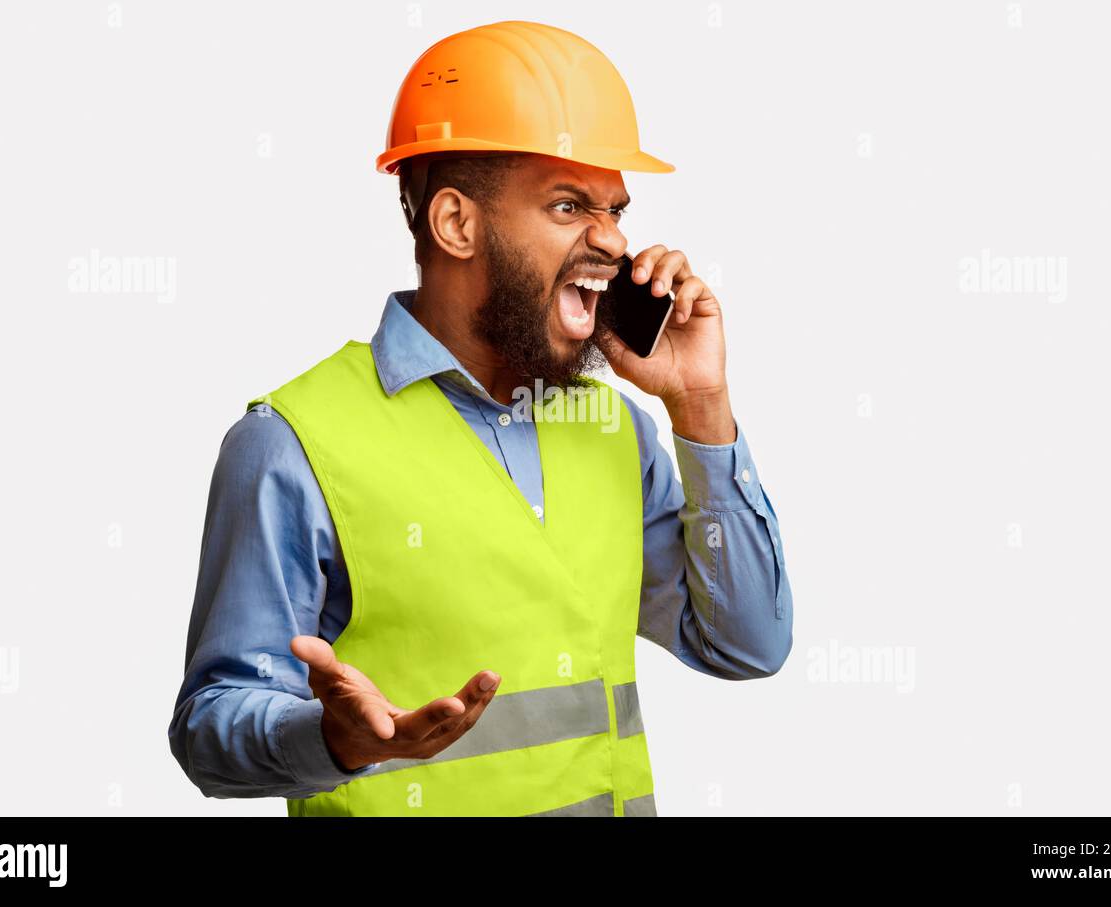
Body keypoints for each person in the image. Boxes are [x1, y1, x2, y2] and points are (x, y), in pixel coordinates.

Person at [168, 19, 794, 817]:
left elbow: (746, 645)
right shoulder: (290, 446)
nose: (612, 240)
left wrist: (699, 405)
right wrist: (336, 742)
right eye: (569, 206)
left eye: (615, 209)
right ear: (457, 224)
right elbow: (209, 726)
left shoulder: (615, 428)